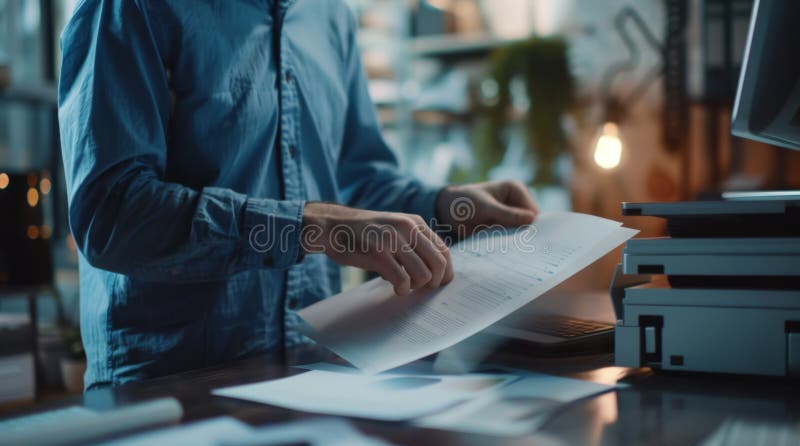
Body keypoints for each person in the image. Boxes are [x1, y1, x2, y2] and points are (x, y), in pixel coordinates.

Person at [58, 0, 539, 390]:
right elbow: (112, 213)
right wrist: (309, 225)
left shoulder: (330, 15)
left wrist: (449, 206)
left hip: (313, 378)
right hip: (167, 389)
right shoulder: (127, 7)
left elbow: (359, 179)